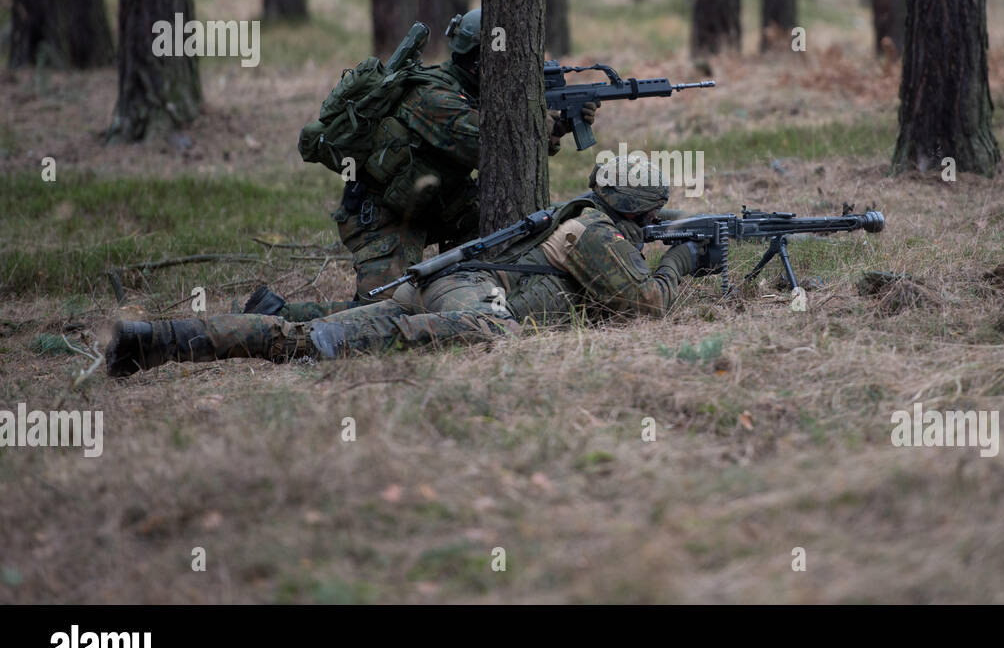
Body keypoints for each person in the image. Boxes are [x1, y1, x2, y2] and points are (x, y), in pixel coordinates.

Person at [107, 157, 719, 376]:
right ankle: (359, 341)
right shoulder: (594, 233)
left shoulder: (578, 213)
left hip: (441, 284)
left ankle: (156, 339)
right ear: (638, 214)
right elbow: (645, 307)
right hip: (468, 298)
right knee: (493, 333)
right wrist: (684, 259)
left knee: (296, 338)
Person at [252, 8, 599, 322]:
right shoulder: (434, 97)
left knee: (503, 222)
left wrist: (558, 129)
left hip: (435, 205)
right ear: (478, 62)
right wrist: (542, 123)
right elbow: (489, 147)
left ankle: (464, 286)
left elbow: (512, 152)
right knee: (385, 313)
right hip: (383, 215)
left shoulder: (469, 92)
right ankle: (279, 316)